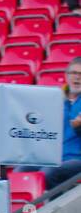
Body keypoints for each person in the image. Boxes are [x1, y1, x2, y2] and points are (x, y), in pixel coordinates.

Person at [16, 57, 81, 188]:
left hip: (77, 159)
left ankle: (54, 207)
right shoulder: (54, 98)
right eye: (74, 73)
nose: (77, 77)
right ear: (66, 76)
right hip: (52, 157)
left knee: (47, 173)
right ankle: (23, 207)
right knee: (19, 171)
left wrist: (79, 128)